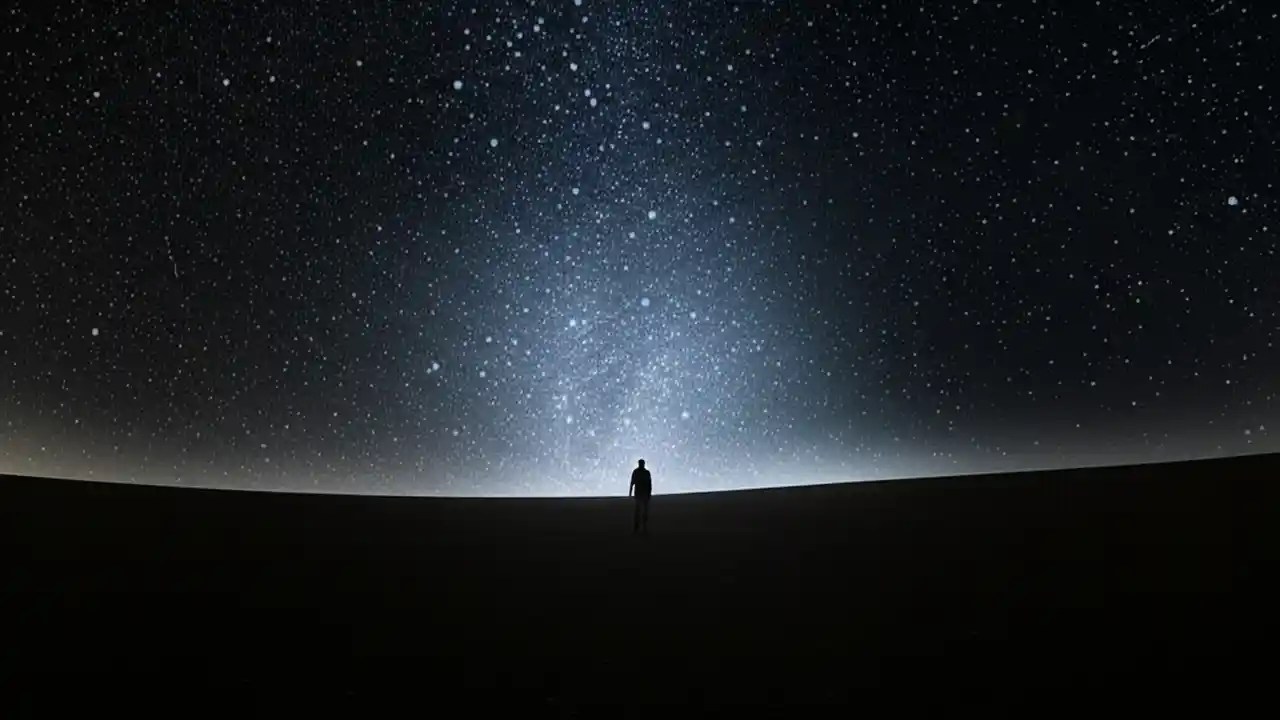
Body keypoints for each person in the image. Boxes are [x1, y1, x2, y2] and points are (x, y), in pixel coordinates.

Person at [629, 459, 652, 534]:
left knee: (641, 511)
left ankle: (641, 527)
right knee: (639, 511)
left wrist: (630, 493)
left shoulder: (641, 472)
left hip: (642, 494)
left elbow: (649, 484)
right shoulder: (643, 472)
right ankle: (639, 527)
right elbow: (632, 483)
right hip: (641, 494)